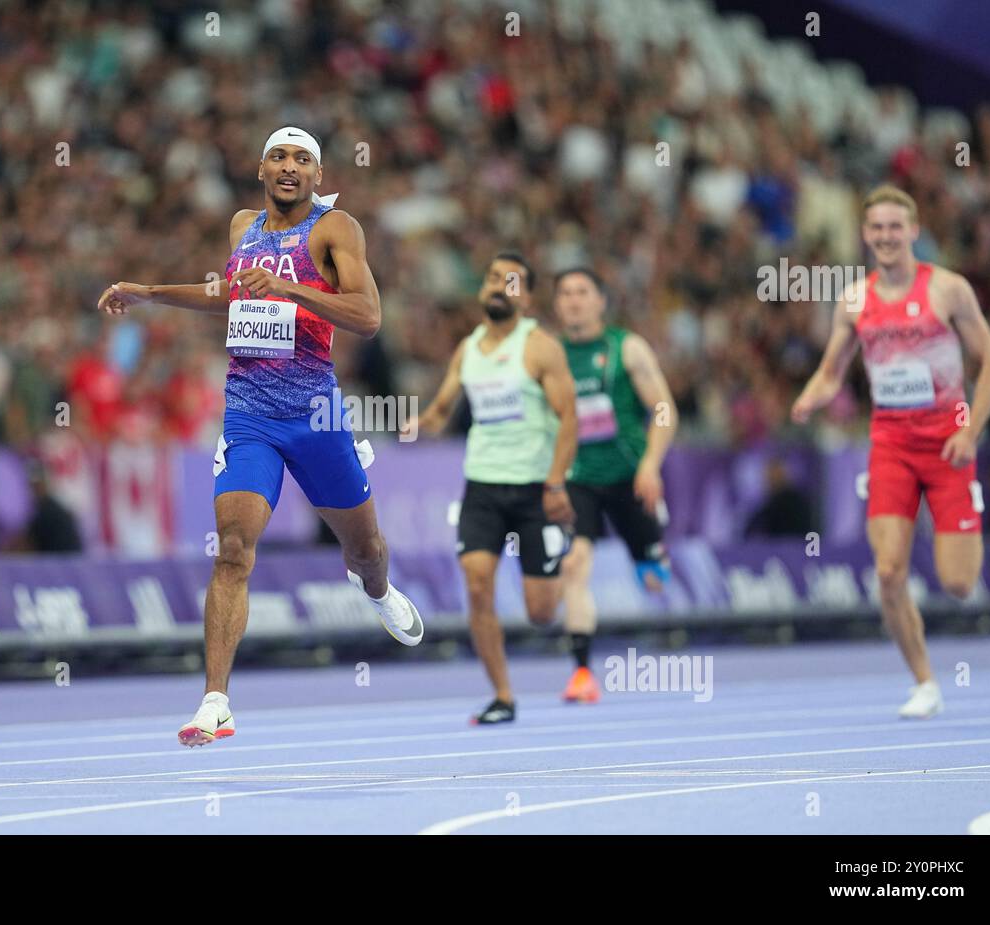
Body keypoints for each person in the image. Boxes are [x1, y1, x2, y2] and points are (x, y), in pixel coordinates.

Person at [100, 127, 424, 747]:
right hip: (249, 415)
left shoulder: (336, 230)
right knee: (232, 550)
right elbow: (227, 295)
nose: (289, 166)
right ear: (260, 168)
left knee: (366, 550)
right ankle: (215, 701)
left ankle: (377, 591)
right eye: (279, 155)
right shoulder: (242, 227)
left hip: (316, 417)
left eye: (303, 159)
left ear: (317, 177)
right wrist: (150, 294)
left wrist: (290, 288)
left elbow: (369, 316)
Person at [792, 184, 990, 719]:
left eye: (896, 227)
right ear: (865, 236)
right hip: (890, 444)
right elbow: (831, 372)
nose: (886, 237)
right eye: (877, 229)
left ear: (913, 231)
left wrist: (970, 430)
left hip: (949, 447)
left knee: (958, 584)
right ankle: (925, 682)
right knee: (888, 571)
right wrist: (810, 398)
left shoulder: (948, 290)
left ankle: (963, 522)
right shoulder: (853, 300)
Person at [405, 253, 577, 724]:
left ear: (527, 296)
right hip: (482, 485)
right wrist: (415, 424)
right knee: (478, 585)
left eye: (511, 280)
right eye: (493, 278)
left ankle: (563, 556)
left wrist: (557, 482)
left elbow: (570, 420)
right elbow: (442, 412)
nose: (499, 285)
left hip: (533, 489)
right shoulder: (469, 348)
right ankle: (503, 695)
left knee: (542, 612)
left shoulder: (540, 347)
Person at [552, 268, 678, 704]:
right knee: (574, 564)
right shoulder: (548, 355)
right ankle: (582, 672)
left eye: (582, 292)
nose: (573, 301)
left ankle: (652, 554)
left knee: (655, 578)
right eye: (565, 293)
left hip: (630, 476)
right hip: (578, 480)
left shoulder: (628, 348)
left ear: (601, 301)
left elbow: (664, 410)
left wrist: (651, 464)